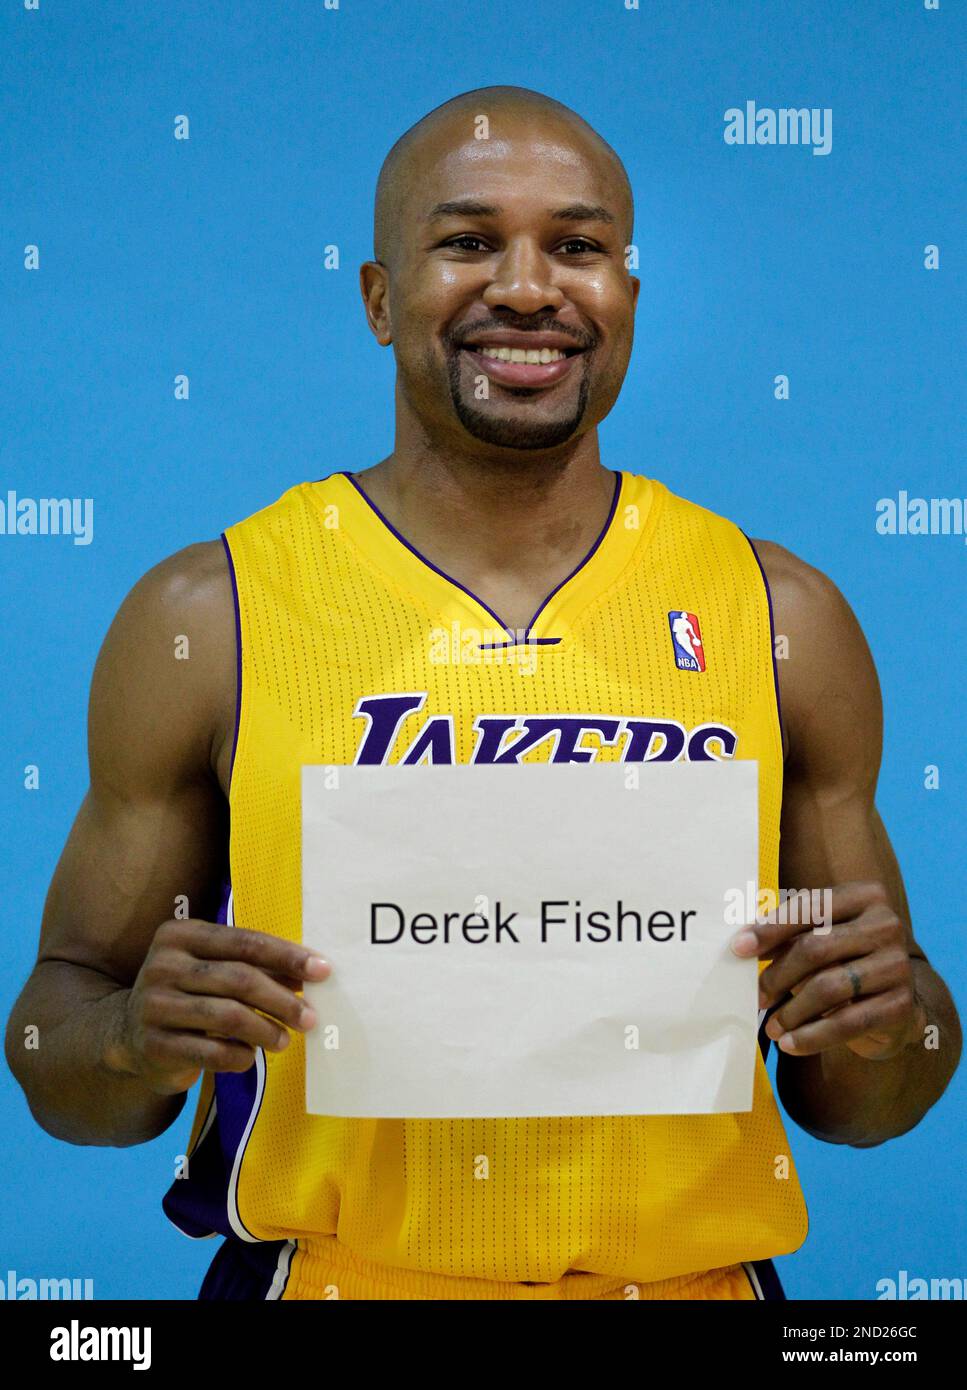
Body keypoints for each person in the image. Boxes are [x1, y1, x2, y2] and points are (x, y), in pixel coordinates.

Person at [6, 86, 960, 1302]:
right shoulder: (214, 613)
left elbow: (871, 1104)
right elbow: (55, 1052)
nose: (527, 287)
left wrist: (892, 1020)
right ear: (377, 298)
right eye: (466, 243)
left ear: (627, 292)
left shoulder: (779, 616)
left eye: (577, 245)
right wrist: (135, 1037)